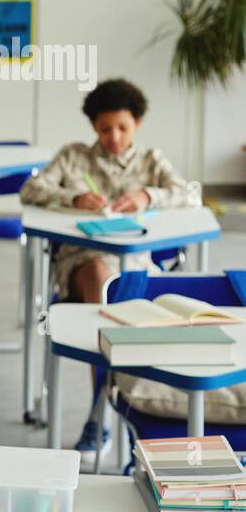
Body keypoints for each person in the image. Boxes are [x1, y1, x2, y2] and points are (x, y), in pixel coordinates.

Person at [20, 78, 192, 463]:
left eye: (122, 128)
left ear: (137, 125)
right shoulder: (74, 157)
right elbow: (30, 191)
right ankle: (107, 412)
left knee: (139, 297)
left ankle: (129, 406)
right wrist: (74, 197)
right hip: (84, 263)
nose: (113, 137)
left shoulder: (152, 161)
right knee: (103, 280)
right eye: (103, 129)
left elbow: (188, 193)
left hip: (135, 262)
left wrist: (149, 195)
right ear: (92, 128)